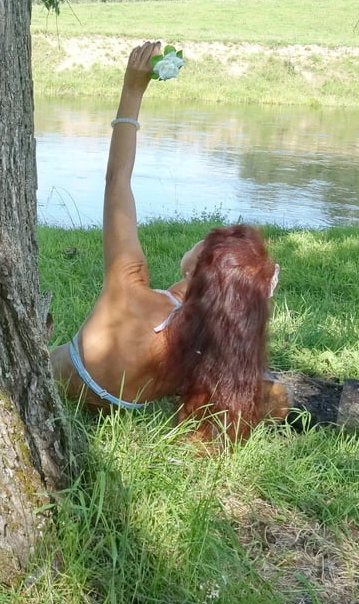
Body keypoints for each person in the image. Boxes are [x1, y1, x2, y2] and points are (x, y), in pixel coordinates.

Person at [48, 41, 288, 446]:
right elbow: (203, 302)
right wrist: (252, 293)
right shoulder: (202, 349)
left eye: (206, 239)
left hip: (52, 378)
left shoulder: (129, 293)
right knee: (275, 394)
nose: (198, 239)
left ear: (198, 265)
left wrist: (132, 91)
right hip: (119, 399)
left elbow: (117, 183)